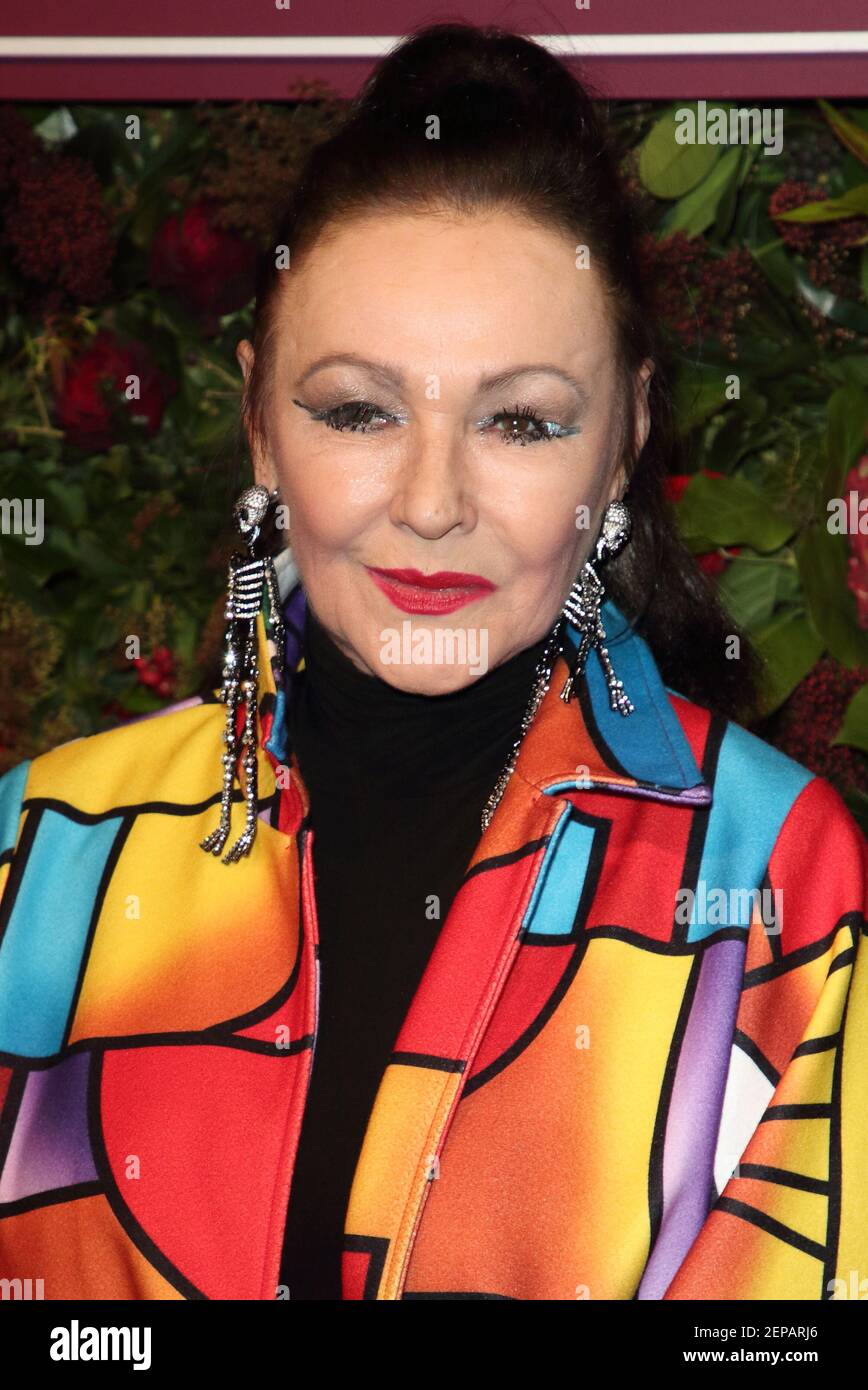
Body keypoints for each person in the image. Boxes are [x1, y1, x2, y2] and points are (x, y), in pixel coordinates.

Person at [0, 22, 865, 1303]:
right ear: (255, 424)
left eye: (519, 420)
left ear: (623, 437)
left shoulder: (772, 871)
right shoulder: (44, 850)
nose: (430, 503)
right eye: (357, 409)